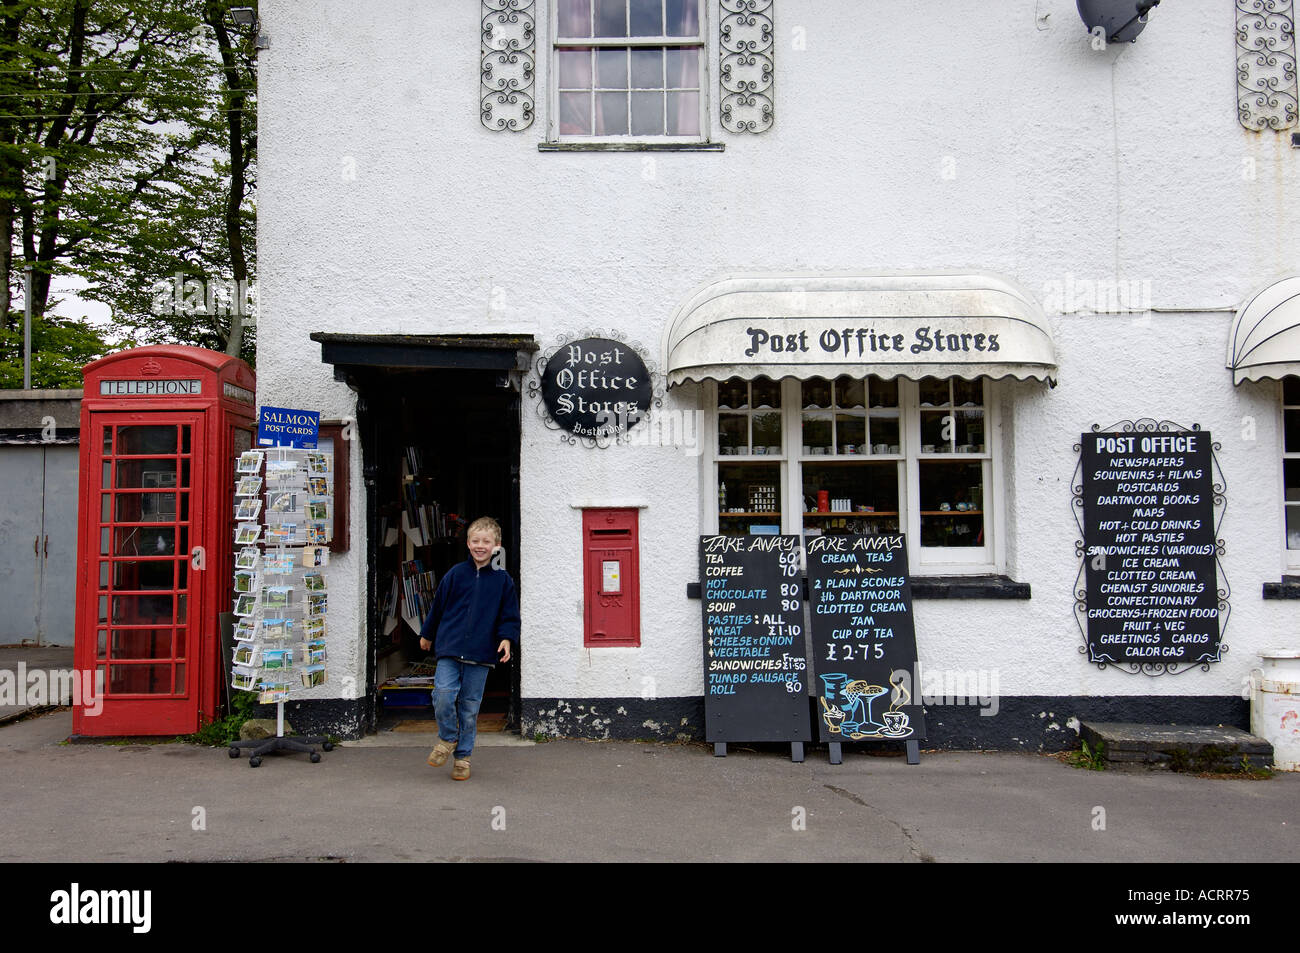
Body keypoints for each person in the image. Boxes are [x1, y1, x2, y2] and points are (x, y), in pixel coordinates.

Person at [418, 516, 520, 780]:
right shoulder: (455, 574)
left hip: (481, 653)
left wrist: (507, 638)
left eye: (486, 541)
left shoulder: (503, 580)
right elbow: (438, 606)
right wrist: (427, 633)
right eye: (475, 541)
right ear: (467, 543)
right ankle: (448, 738)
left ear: (496, 545)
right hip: (449, 649)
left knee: (469, 709)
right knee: (442, 695)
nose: (480, 546)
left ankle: (463, 758)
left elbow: (509, 615)